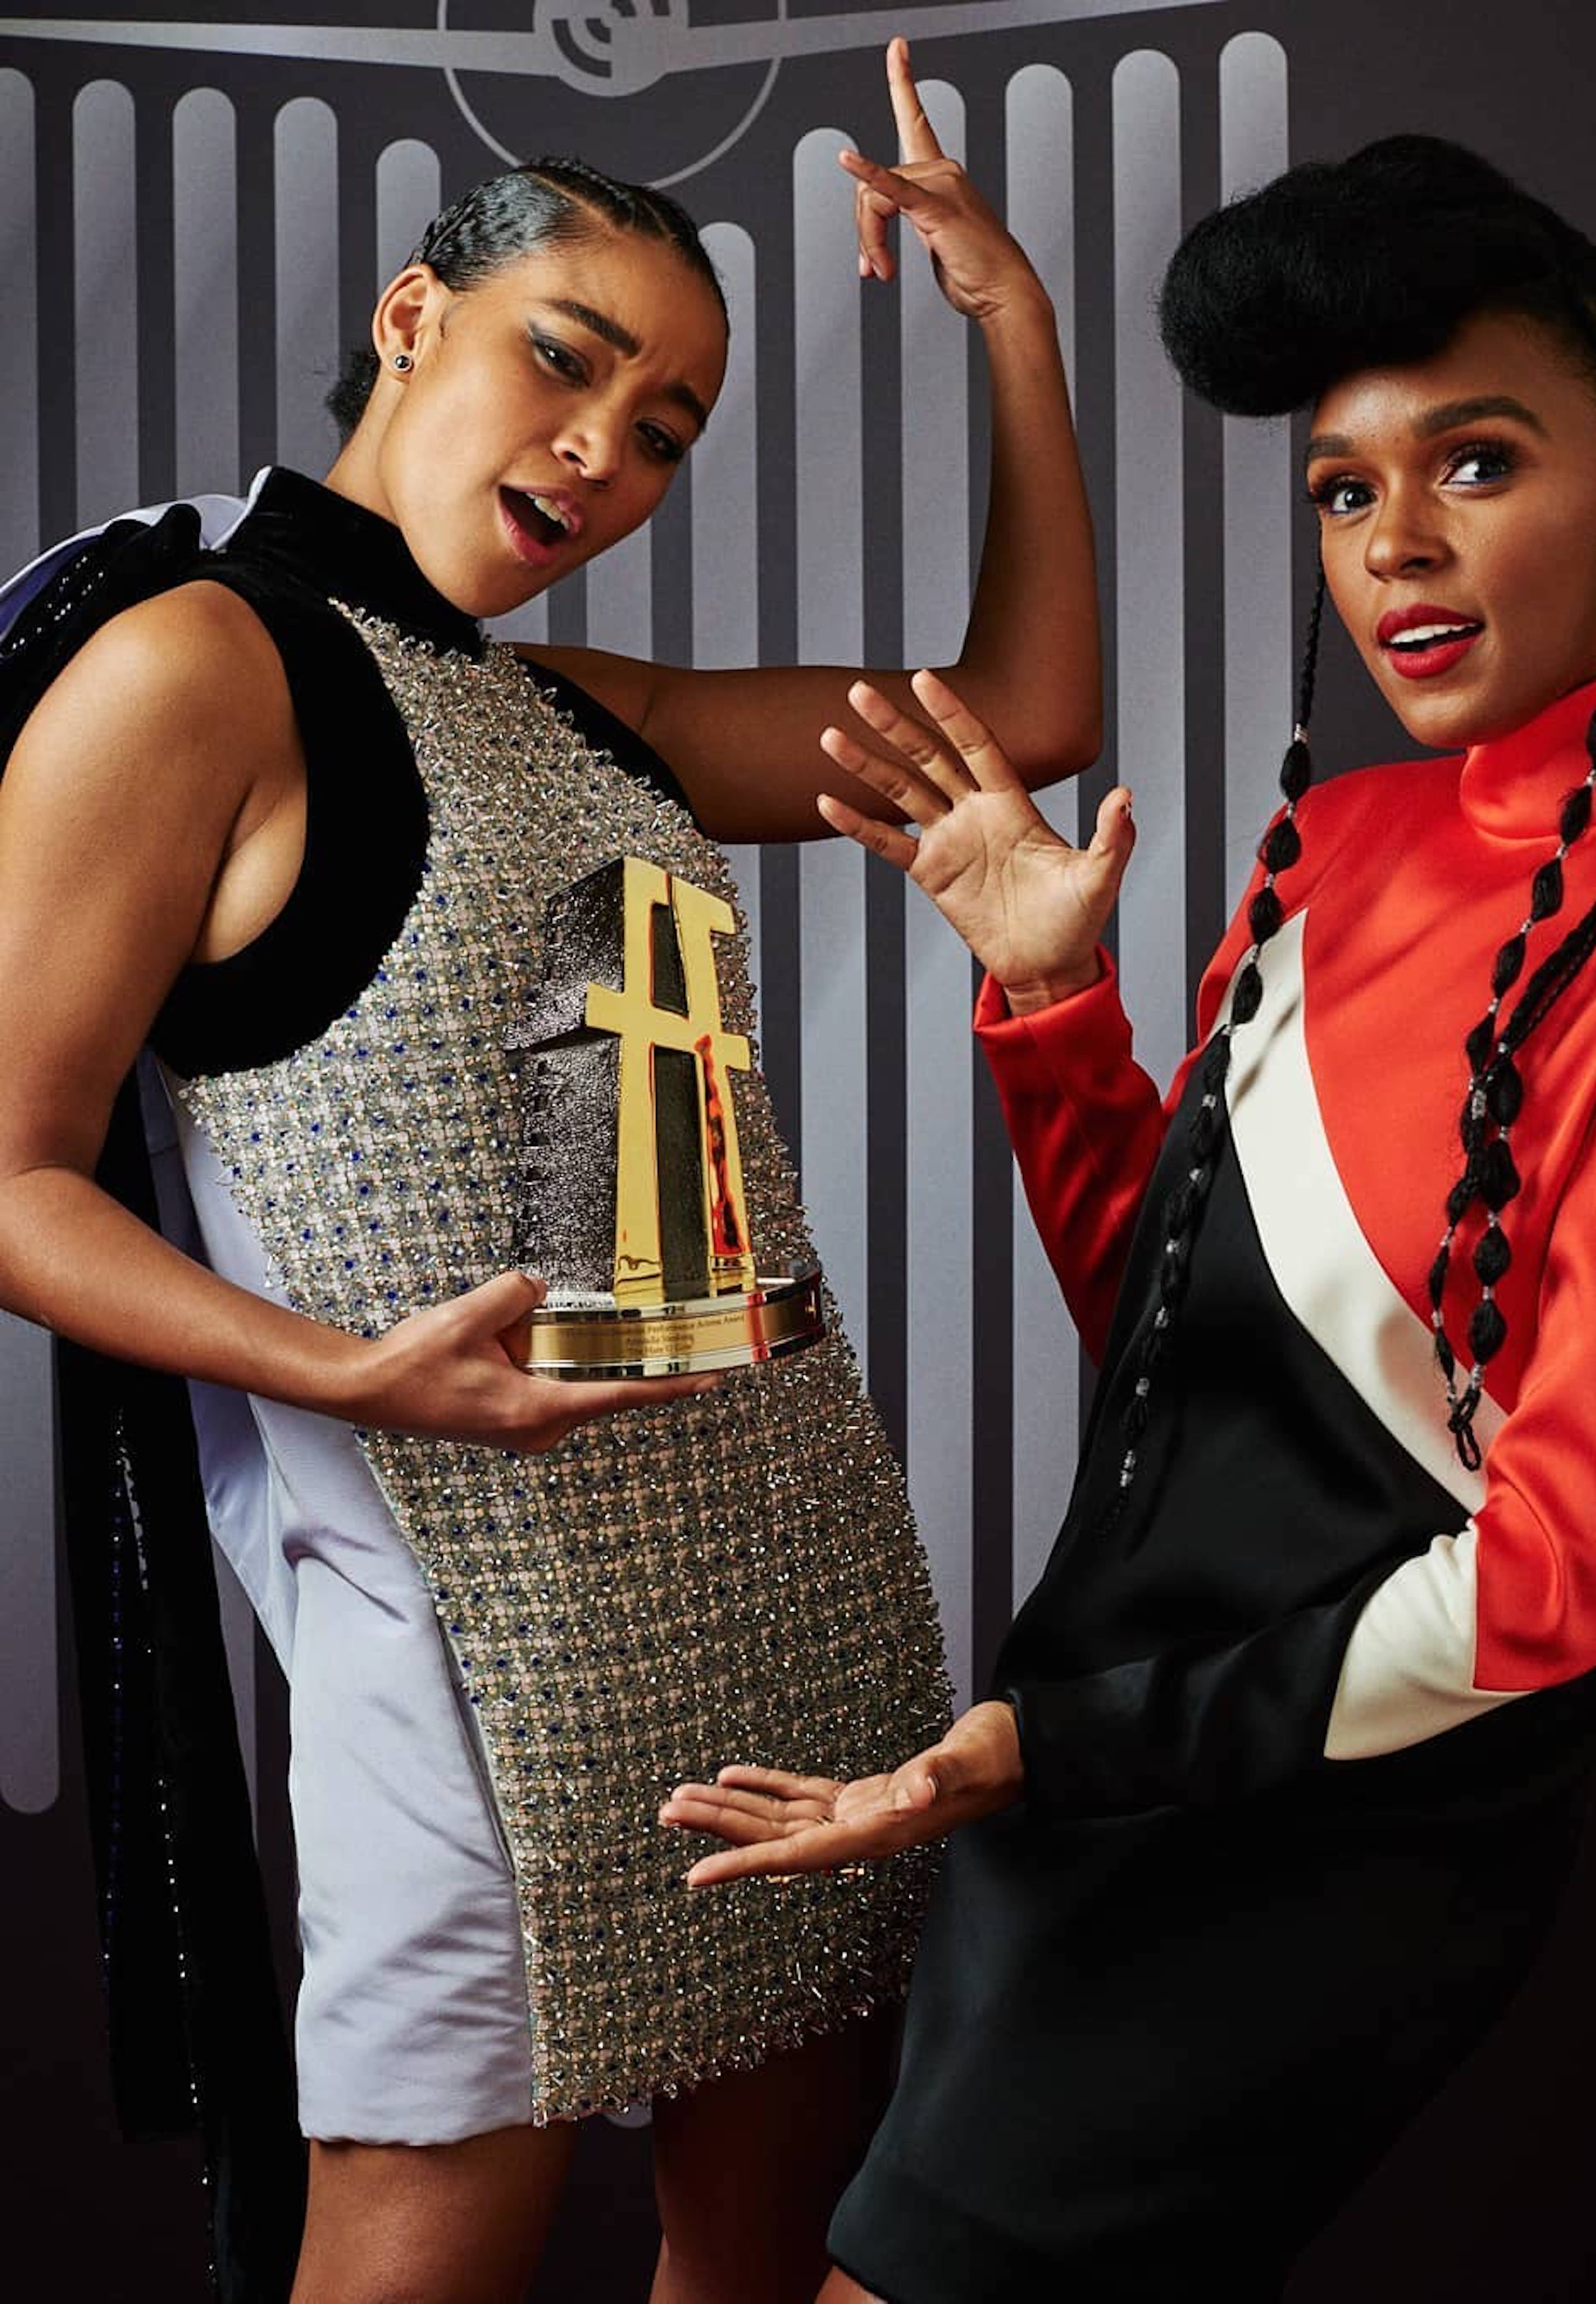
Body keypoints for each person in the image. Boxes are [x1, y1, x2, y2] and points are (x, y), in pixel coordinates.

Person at [661, 134, 1596, 2300]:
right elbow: (1170, 1343)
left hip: (1326, 1824)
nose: (1394, 548)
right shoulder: (1343, 844)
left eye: (1473, 464)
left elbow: (1545, 1590)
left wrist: (1044, 1750)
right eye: (1340, 488)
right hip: (1068, 1768)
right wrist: (1045, 999)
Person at [0, 38, 1098, 2304]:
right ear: (413, 320)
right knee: (416, 2249)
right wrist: (348, 1372)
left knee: (781, 2249)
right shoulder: (193, 665)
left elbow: (1028, 713)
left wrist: (1012, 324)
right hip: (469, 1621)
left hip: (781, 1573)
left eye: (667, 427)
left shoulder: (584, 712)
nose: (603, 452)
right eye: (565, 364)